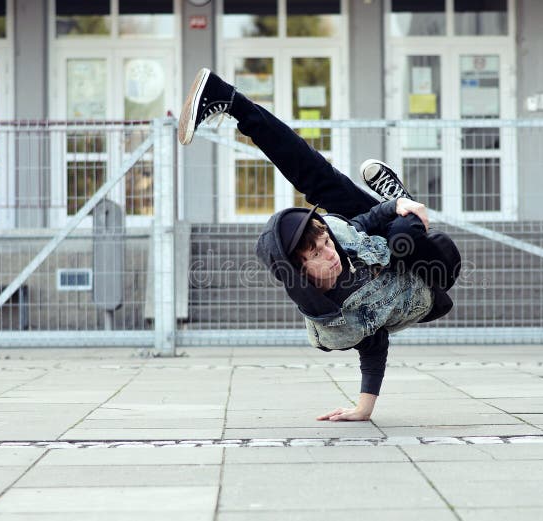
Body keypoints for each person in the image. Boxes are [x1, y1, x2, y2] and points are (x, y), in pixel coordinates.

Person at [179, 68, 461, 421]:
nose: (329, 253)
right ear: (300, 275)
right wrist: (363, 407)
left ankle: (229, 100)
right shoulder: (336, 320)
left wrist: (393, 209)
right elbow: (373, 347)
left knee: (321, 180)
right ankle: (402, 211)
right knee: (397, 238)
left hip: (426, 253)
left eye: (325, 242)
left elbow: (362, 224)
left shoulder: (339, 238)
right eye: (316, 254)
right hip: (431, 286)